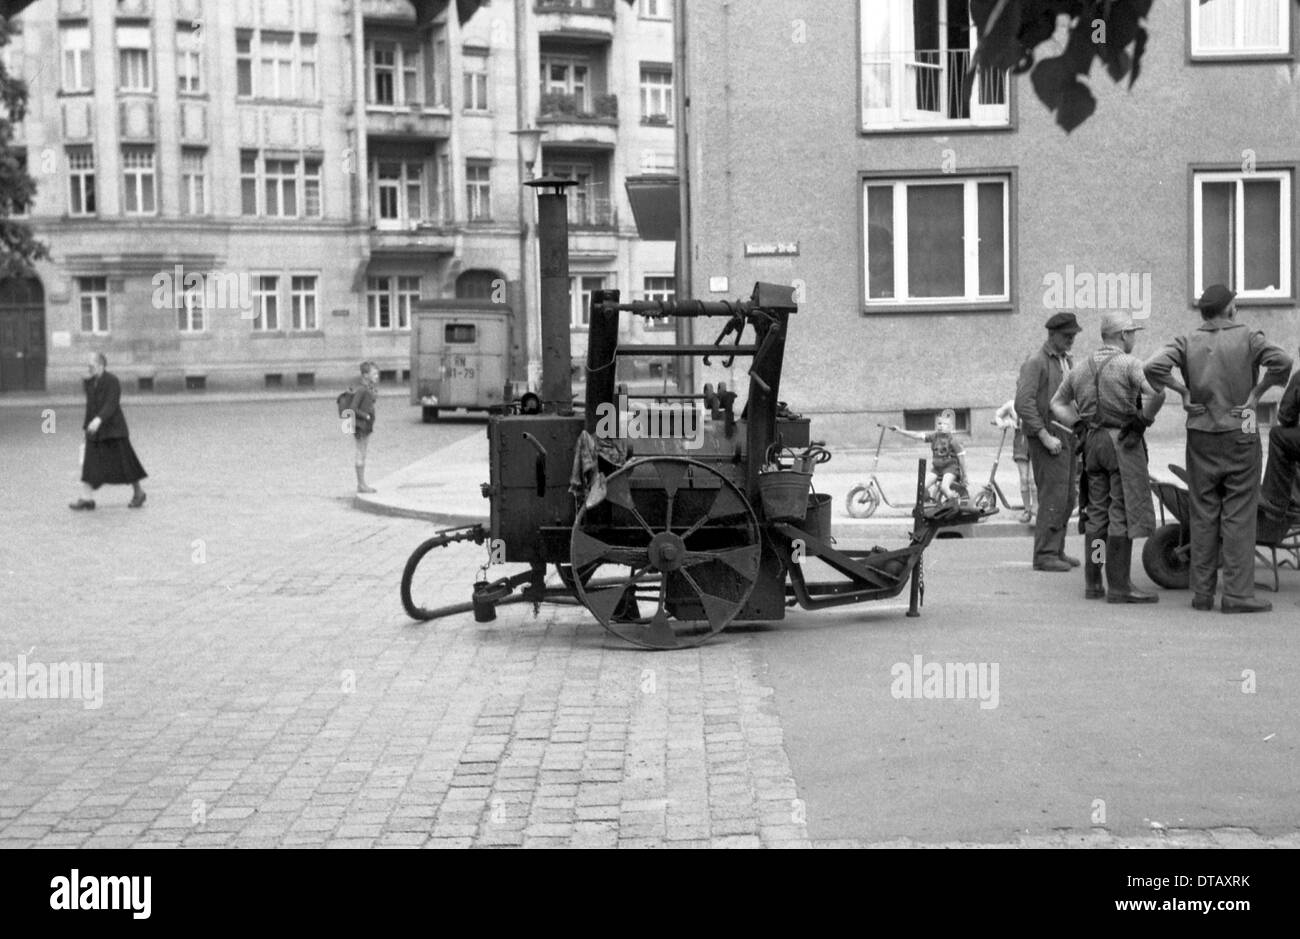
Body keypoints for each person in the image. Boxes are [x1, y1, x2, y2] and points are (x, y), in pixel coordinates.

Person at [1144, 285, 1293, 614]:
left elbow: (1152, 367)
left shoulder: (1186, 340)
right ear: (1230, 308)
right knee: (1240, 513)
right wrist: (1257, 393)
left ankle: (1202, 593)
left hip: (1200, 431)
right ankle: (1238, 595)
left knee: (1203, 512)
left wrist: (1182, 391)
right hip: (1242, 427)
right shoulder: (1249, 337)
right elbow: (1283, 361)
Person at [1051, 312, 1164, 603]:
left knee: (1097, 514)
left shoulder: (1081, 368)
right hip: (1122, 443)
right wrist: (1142, 421)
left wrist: (1077, 424)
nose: (1134, 339)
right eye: (1133, 333)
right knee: (1121, 512)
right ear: (1123, 335)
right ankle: (1119, 585)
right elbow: (1157, 395)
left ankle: (1093, 582)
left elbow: (1057, 403)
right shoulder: (1130, 364)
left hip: (1092, 443)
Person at [1016, 312, 1083, 572]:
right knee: (1053, 496)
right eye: (1067, 336)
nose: (1071, 341)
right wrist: (1044, 436)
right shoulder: (1037, 362)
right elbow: (1024, 403)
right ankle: (1044, 554)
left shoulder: (1065, 360)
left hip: (1066, 437)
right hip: (1048, 439)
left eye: (1073, 336)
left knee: (1067, 498)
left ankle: (1057, 550)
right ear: (1052, 334)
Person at [69, 352, 147, 510]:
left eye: (91, 366)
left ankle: (139, 492)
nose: (89, 369)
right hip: (95, 433)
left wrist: (99, 419)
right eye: (88, 366)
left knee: (126, 465)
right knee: (89, 464)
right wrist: (86, 428)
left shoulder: (112, 381)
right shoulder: (89, 383)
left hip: (114, 430)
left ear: (101, 365)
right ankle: (87, 499)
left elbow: (111, 404)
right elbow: (90, 407)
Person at [1257, 351, 1300, 545]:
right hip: (1244, 411)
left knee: (1256, 442)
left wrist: (1256, 393)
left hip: (1242, 412)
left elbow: (1285, 416)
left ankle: (1275, 498)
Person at [890, 410, 968, 502]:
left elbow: (961, 458)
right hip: (937, 469)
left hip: (950, 469)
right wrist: (900, 431)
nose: (941, 426)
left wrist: (964, 475)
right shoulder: (934, 436)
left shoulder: (953, 440)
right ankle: (928, 504)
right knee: (922, 486)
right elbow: (917, 435)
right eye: (939, 423)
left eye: (945, 424)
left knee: (944, 487)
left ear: (951, 427)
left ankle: (956, 502)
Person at [994, 399, 1036, 524]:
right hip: (1020, 441)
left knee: (1033, 480)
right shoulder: (1012, 404)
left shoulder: (1035, 400)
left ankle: (1036, 510)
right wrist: (1003, 423)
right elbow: (998, 414)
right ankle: (1027, 510)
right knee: (1024, 478)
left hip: (1035, 440)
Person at [352, 361, 380, 494]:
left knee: (363, 453)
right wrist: (366, 416)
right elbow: (353, 408)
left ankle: (362, 483)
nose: (377, 375)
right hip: (361, 425)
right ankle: (361, 484)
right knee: (360, 453)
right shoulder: (362, 389)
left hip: (365, 425)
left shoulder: (368, 388)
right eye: (374, 373)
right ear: (365, 375)